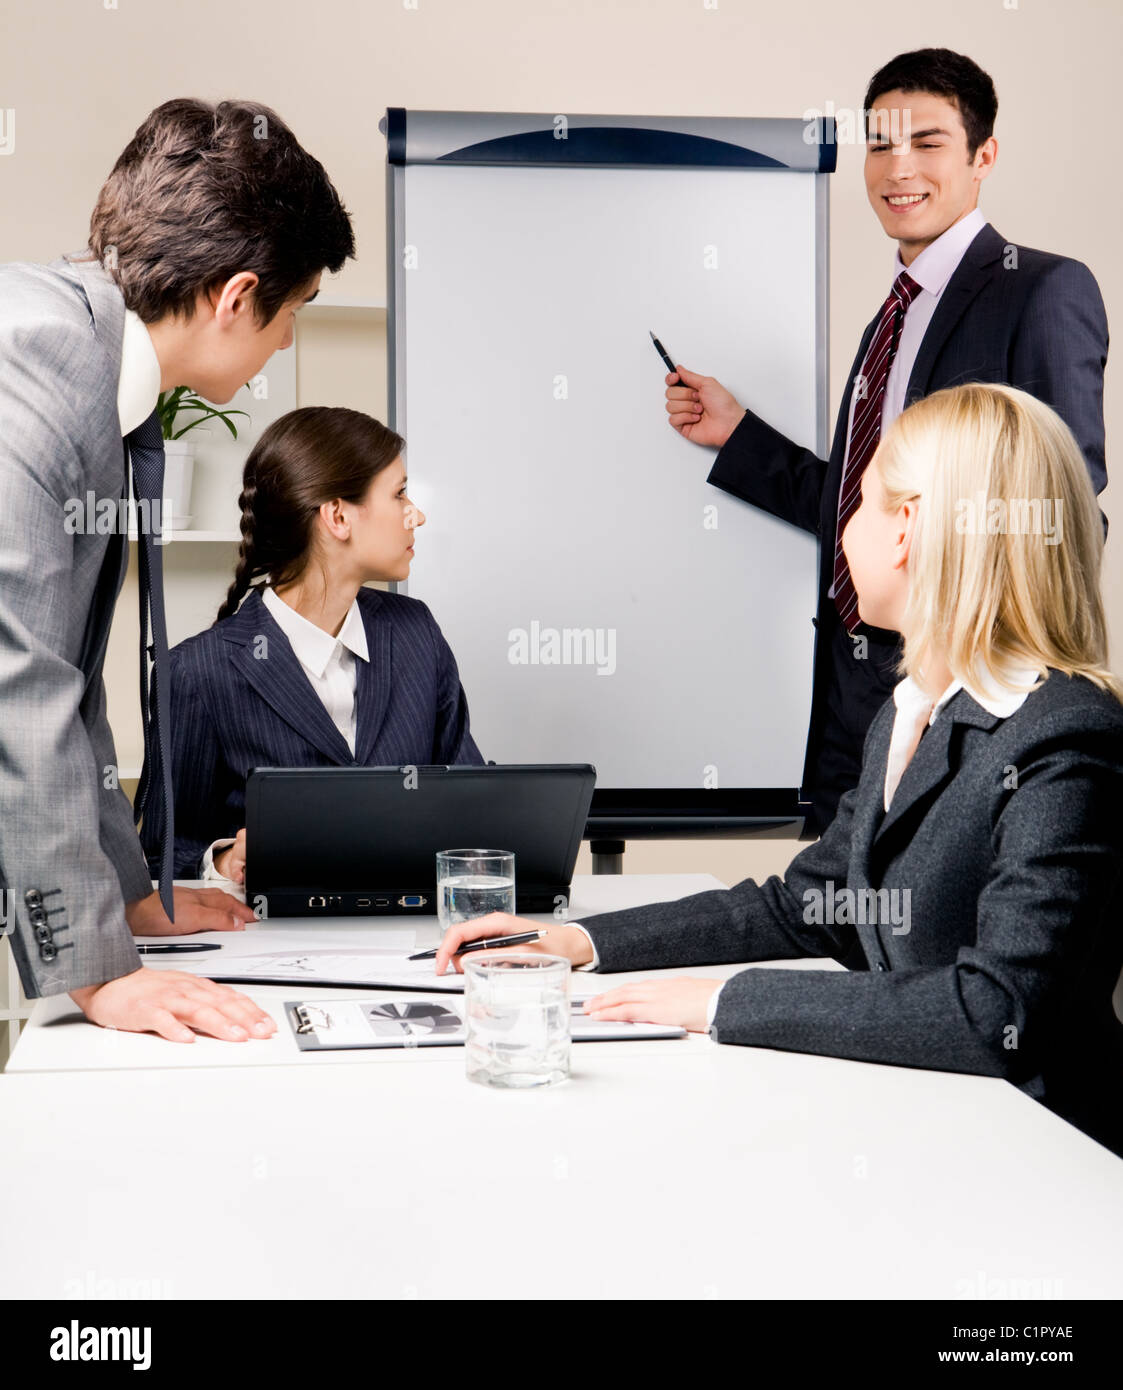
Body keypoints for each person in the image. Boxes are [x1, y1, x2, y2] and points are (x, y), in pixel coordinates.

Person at [435, 383, 1123, 1160]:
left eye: (859, 505)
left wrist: (724, 1001)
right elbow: (809, 905)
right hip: (922, 1126)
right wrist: (575, 941)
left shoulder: (1064, 737)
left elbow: (995, 1009)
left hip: (1044, 1165)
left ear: (907, 529)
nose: (843, 533)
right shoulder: (915, 711)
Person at [664, 48, 1109, 836]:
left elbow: (1065, 507)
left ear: (982, 156)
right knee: (837, 919)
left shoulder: (1039, 288)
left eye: (927, 142)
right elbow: (861, 502)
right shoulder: (890, 316)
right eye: (880, 144)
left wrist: (976, 669)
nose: (897, 167)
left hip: (959, 683)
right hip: (849, 682)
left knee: (939, 932)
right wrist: (739, 436)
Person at [0, 97, 356, 1043]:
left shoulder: (99, 370)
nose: (286, 344)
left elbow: (68, 688)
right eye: (294, 313)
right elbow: (18, 686)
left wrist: (134, 900)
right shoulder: (32, 363)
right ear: (238, 298)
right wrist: (100, 972)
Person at [138, 407, 484, 883]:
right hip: (267, 949)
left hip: (412, 943)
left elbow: (474, 805)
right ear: (338, 516)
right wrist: (222, 862)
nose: (417, 515)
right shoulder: (198, 672)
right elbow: (160, 854)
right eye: (400, 494)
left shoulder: (416, 633)